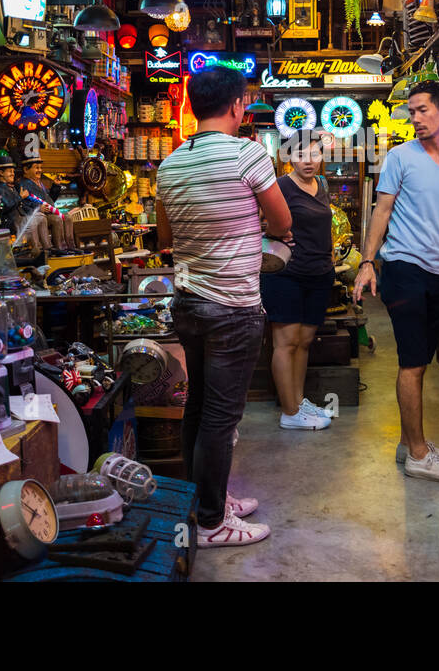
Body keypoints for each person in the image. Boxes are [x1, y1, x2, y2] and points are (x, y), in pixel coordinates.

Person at [155, 65, 293, 547]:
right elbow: (282, 223)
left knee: (198, 407)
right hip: (233, 305)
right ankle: (212, 523)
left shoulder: (170, 164)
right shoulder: (247, 154)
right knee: (220, 417)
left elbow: (166, 236)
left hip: (188, 302)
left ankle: (203, 501)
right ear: (237, 106)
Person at [353, 81, 439, 484]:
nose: (415, 118)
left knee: (422, 358)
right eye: (411, 112)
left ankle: (410, 443)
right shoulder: (399, 157)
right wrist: (367, 261)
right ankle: (419, 456)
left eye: (422, 110)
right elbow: (382, 210)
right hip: (403, 268)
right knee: (412, 361)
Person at [263, 130, 337, 431]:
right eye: (301, 154)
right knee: (286, 342)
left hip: (319, 273)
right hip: (287, 274)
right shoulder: (279, 186)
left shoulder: (322, 184)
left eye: (314, 154)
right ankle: (289, 412)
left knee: (304, 343)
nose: (308, 160)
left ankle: (298, 401)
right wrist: (274, 231)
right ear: (289, 157)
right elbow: (259, 220)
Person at [0, 150, 48, 256]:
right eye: (10, 171)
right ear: (1, 173)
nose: (13, 174)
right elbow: (7, 205)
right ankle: (36, 249)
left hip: (20, 217)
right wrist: (20, 197)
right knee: (33, 219)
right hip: (10, 221)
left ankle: (46, 248)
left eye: (13, 171)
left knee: (39, 217)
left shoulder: (13, 187)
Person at [18, 154, 77, 253]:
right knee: (57, 219)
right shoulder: (23, 184)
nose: (40, 170)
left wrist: (55, 186)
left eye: (40, 168)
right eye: (37, 168)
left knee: (67, 217)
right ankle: (59, 248)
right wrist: (39, 207)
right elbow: (23, 204)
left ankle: (70, 246)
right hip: (38, 215)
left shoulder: (39, 183)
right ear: (26, 170)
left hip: (47, 213)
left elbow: (49, 200)